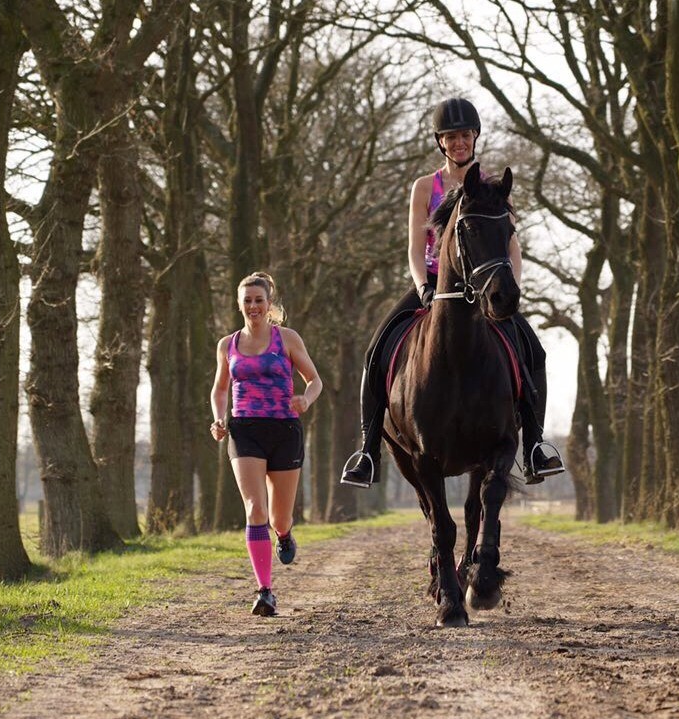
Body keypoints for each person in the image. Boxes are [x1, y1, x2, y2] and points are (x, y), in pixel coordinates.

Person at [339, 97, 564, 488]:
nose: (459, 142)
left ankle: (534, 446)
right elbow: (415, 248)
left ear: (475, 137)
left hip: (485, 287)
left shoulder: (494, 188)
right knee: (376, 351)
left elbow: (511, 247)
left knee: (534, 351)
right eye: (451, 136)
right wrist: (423, 287)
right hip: (435, 285)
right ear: (440, 142)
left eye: (465, 135)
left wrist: (508, 287)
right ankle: (368, 450)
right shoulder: (425, 187)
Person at [210, 271, 322, 617]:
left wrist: (305, 399)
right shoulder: (227, 345)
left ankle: (284, 535)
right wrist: (219, 418)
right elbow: (220, 389)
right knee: (254, 509)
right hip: (244, 430)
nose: (253, 306)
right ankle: (264, 591)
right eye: (247, 300)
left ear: (268, 303)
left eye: (259, 300)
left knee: (279, 518)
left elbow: (314, 379)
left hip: (284, 429)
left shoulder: (286, 338)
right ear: (239, 304)